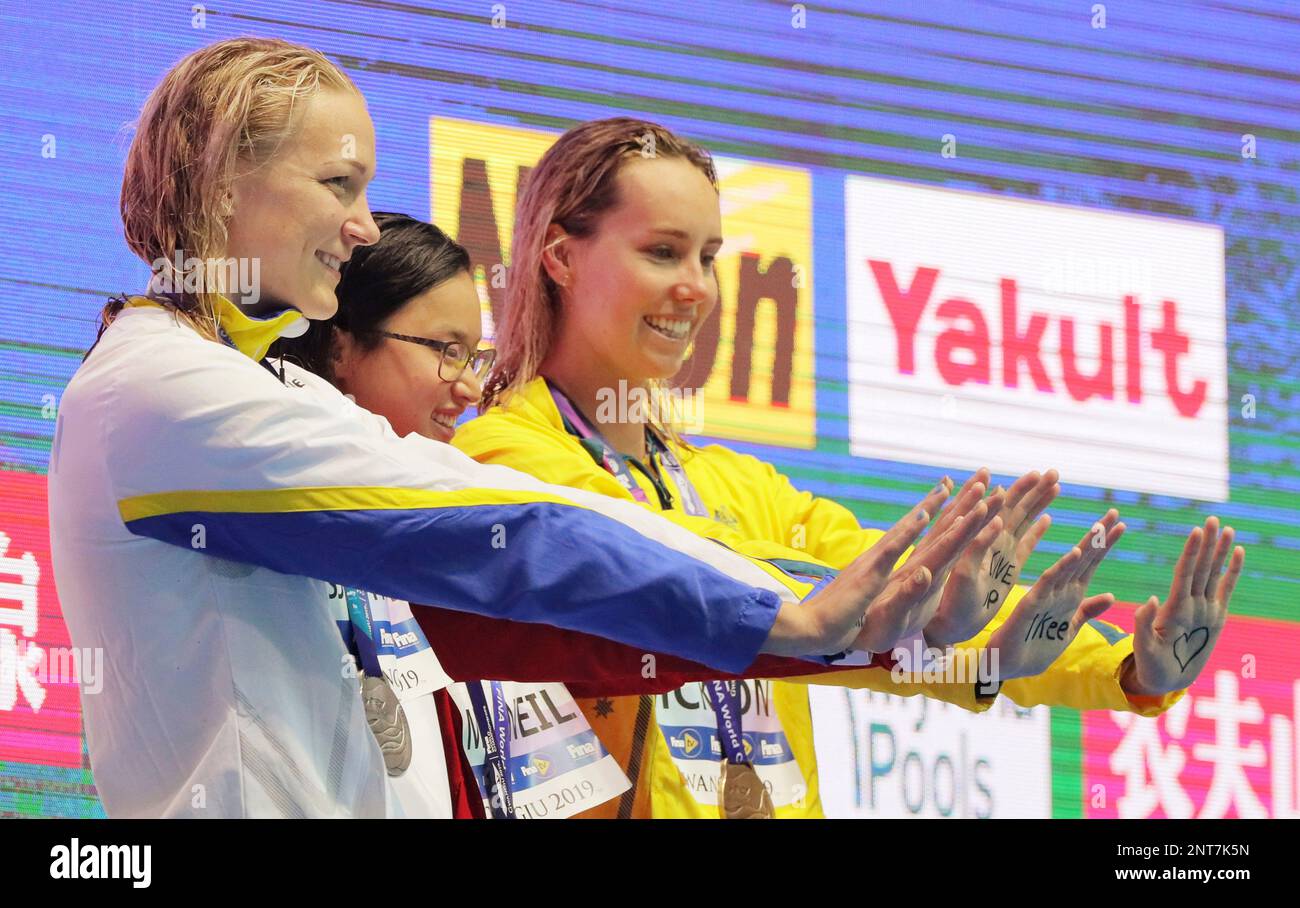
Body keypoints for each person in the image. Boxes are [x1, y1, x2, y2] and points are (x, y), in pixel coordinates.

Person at [46, 38, 984, 819]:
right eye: (338, 183)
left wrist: (874, 640)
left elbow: (538, 626)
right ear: (222, 184)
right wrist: (787, 616)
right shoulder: (164, 389)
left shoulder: (262, 386)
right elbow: (510, 530)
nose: (364, 226)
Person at [278, 209, 1222, 819]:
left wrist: (1118, 668)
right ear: (561, 261)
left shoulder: (738, 482)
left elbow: (882, 605)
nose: (696, 288)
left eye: (709, 257)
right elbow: (680, 565)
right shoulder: (501, 454)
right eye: (661, 253)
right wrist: (860, 611)